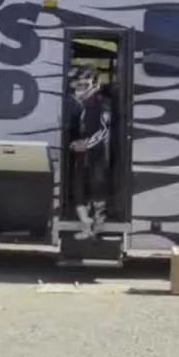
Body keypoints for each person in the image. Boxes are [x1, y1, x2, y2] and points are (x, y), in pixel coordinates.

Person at [66, 65, 110, 238]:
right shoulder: (83, 104)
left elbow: (104, 130)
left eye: (83, 85)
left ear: (94, 84)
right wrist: (76, 143)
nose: (79, 88)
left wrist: (87, 144)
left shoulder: (100, 102)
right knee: (78, 188)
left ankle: (97, 227)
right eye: (77, 85)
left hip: (96, 153)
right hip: (84, 153)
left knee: (95, 186)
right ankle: (86, 225)